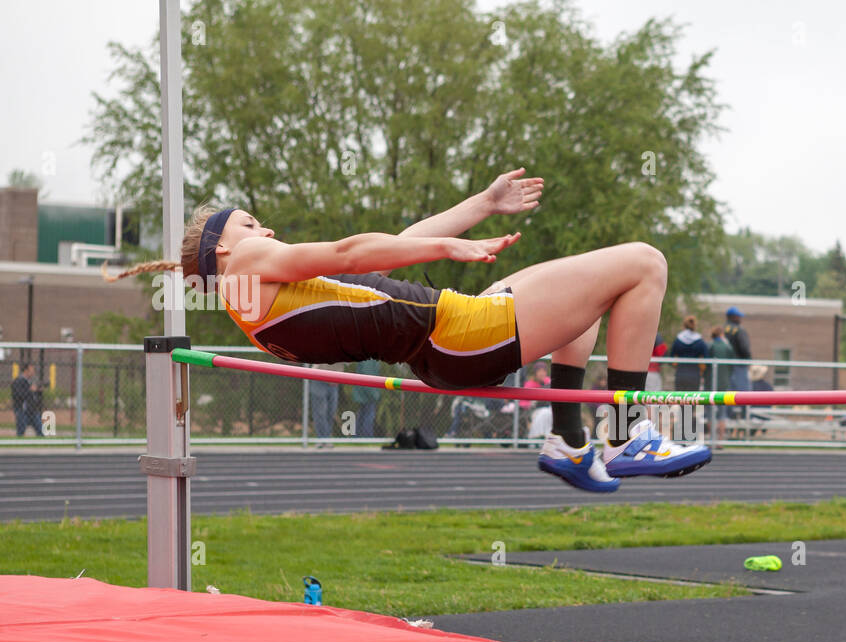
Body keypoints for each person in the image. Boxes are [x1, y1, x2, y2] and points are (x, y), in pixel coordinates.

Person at [103, 168, 709, 493]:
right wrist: (451, 245)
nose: (266, 231)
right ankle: (631, 435)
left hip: (448, 345)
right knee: (644, 262)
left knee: (587, 297)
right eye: (251, 224)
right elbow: (348, 250)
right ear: (223, 248)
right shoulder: (246, 266)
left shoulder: (252, 303)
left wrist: (483, 202)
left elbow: (389, 250)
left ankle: (570, 445)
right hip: (461, 332)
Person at [707, 325, 734, 443]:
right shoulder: (727, 347)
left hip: (710, 383)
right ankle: (720, 440)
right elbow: (731, 366)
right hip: (723, 384)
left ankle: (712, 439)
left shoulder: (709, 346)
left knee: (710, 412)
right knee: (722, 413)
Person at [10, 363, 43, 437]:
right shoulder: (18, 381)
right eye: (31, 370)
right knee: (21, 432)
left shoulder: (30, 381)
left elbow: (33, 396)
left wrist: (38, 391)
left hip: (32, 410)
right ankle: (18, 445)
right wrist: (30, 390)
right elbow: (18, 395)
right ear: (26, 371)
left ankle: (42, 444)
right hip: (22, 410)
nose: (33, 372)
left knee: (40, 430)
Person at [352, 359, 383, 438]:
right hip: (367, 392)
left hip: (365, 391)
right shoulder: (369, 359)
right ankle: (367, 437)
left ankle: (357, 437)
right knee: (369, 415)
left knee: (363, 414)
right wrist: (374, 394)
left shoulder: (372, 359)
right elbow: (367, 375)